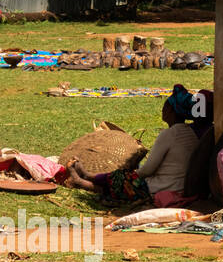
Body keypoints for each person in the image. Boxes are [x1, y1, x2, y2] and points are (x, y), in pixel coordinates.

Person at [65, 86, 200, 205]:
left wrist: (131, 175)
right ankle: (88, 176)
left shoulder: (169, 134)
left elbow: (147, 170)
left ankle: (84, 180)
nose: (163, 110)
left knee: (120, 178)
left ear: (172, 111)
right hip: (179, 186)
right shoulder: (190, 133)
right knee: (123, 178)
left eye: (166, 107)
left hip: (161, 188)